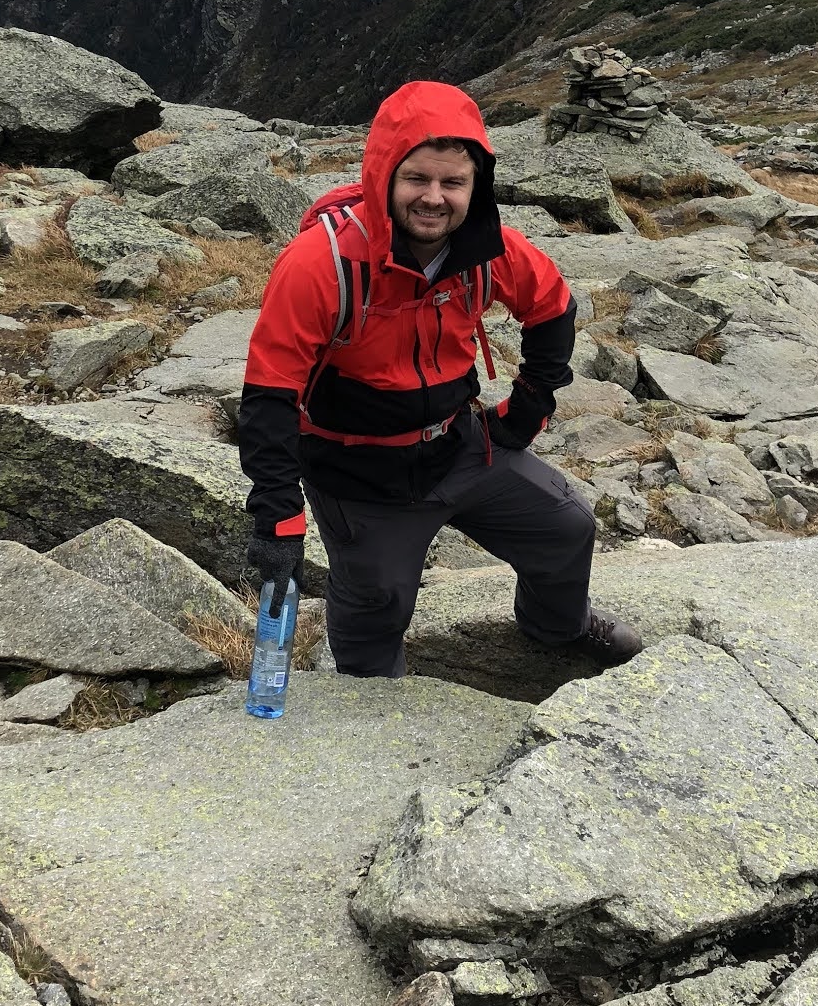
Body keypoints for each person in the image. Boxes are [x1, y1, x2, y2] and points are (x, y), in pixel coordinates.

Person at [237, 79, 641, 678]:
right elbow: (270, 394)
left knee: (565, 529)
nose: (434, 198)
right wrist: (278, 518)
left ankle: (558, 628)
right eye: (416, 179)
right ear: (384, 177)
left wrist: (529, 407)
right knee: (379, 604)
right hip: (358, 473)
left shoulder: (489, 248)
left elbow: (553, 307)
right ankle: (370, 701)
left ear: (476, 186)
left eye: (453, 182)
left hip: (458, 445)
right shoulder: (324, 263)